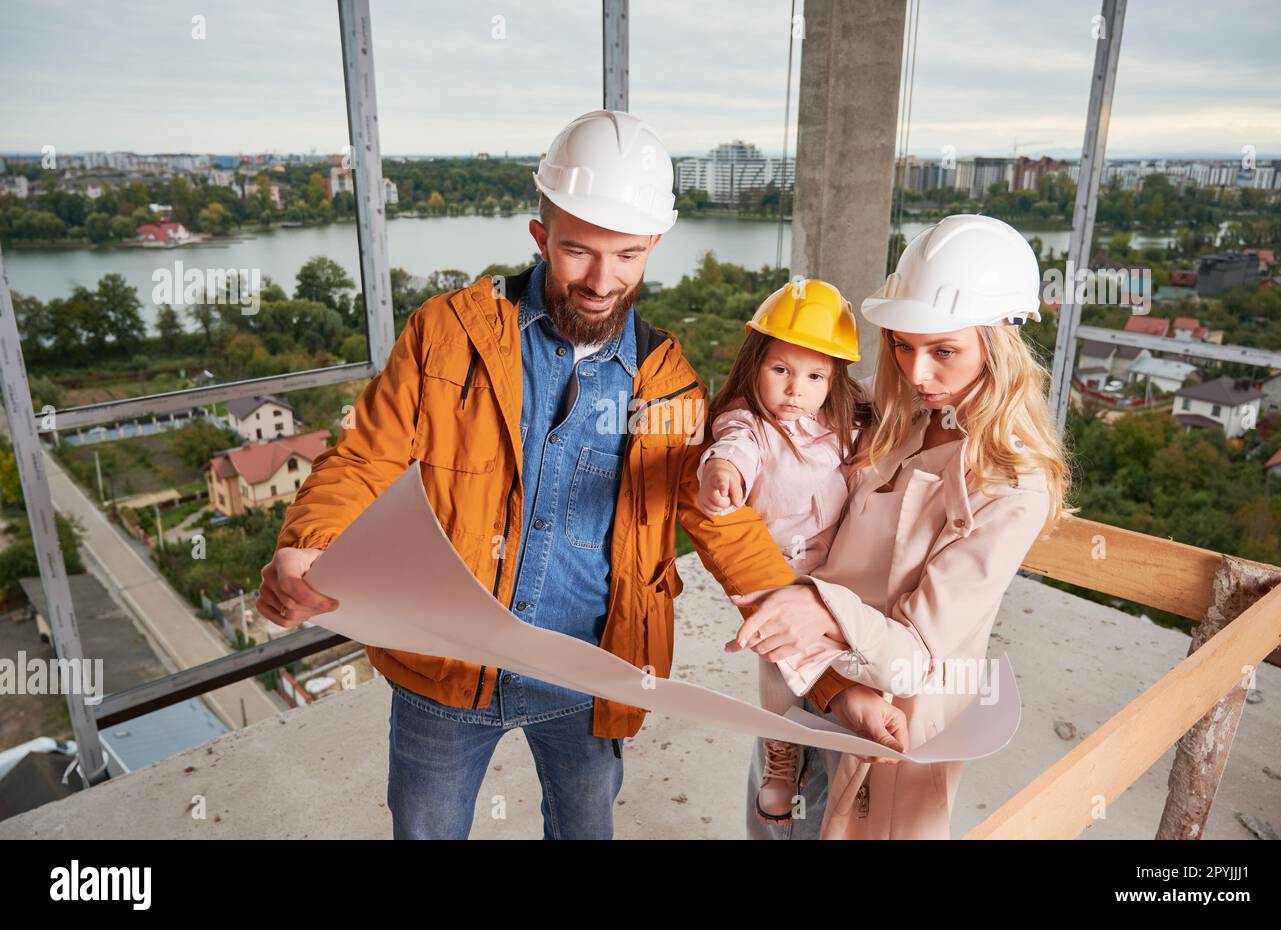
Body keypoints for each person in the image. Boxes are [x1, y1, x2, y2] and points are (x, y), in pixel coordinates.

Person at [255, 109, 849, 840]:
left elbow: (717, 517)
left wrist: (815, 649)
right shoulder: (445, 336)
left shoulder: (667, 385)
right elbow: (363, 458)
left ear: (653, 246)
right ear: (541, 236)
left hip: (589, 673)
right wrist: (308, 542)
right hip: (444, 666)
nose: (603, 280)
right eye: (578, 252)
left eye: (628, 256)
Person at [731, 213, 1072, 839]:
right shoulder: (886, 414)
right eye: (902, 344)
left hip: (886, 720)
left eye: (944, 351)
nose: (917, 373)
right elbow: (766, 422)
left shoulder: (1011, 486)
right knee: (769, 828)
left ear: (998, 344)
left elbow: (913, 660)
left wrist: (816, 602)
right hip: (804, 676)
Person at [694, 278, 870, 822]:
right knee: (780, 660)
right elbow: (732, 449)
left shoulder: (842, 423)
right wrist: (721, 473)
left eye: (815, 375)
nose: (797, 389)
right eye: (781, 371)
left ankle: (853, 764)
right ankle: (782, 747)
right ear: (754, 365)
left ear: (834, 378)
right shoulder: (752, 424)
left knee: (850, 660)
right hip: (778, 576)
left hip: (837, 577)